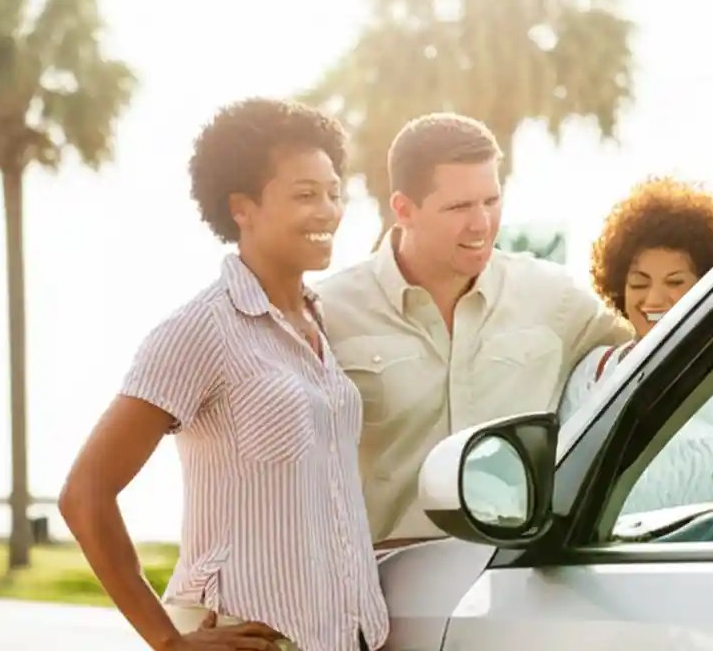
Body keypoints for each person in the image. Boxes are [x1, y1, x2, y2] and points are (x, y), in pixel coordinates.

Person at [60, 98, 386, 651]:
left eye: (334, 192)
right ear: (243, 207)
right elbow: (85, 494)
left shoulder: (319, 322)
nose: (329, 211)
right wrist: (170, 642)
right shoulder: (200, 330)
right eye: (305, 195)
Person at [315, 112, 633, 548]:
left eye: (490, 201)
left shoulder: (555, 298)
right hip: (382, 591)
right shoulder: (327, 314)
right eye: (459, 207)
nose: (481, 224)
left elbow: (656, 350)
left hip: (512, 583)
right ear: (404, 210)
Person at [558, 175, 713, 514]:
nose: (653, 299)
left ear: (709, 284)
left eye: (675, 282)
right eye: (639, 282)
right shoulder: (593, 372)